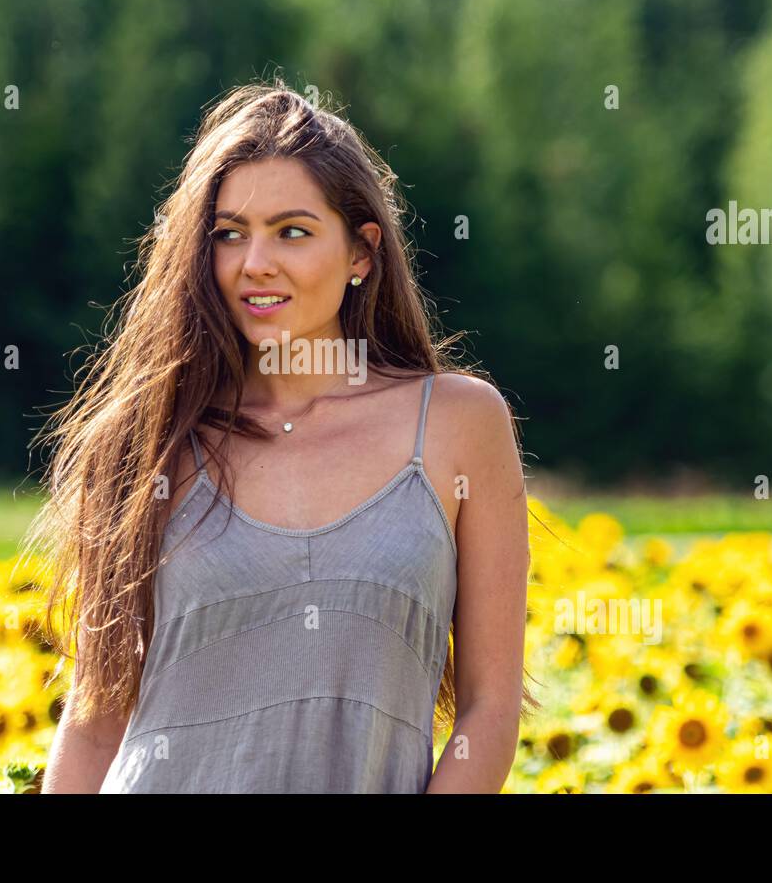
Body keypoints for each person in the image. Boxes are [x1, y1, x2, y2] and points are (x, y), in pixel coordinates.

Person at [34, 79, 533, 793]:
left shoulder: (459, 425)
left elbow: (488, 711)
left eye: (292, 231)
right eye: (229, 234)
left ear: (363, 252)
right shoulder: (146, 440)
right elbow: (93, 722)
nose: (254, 263)